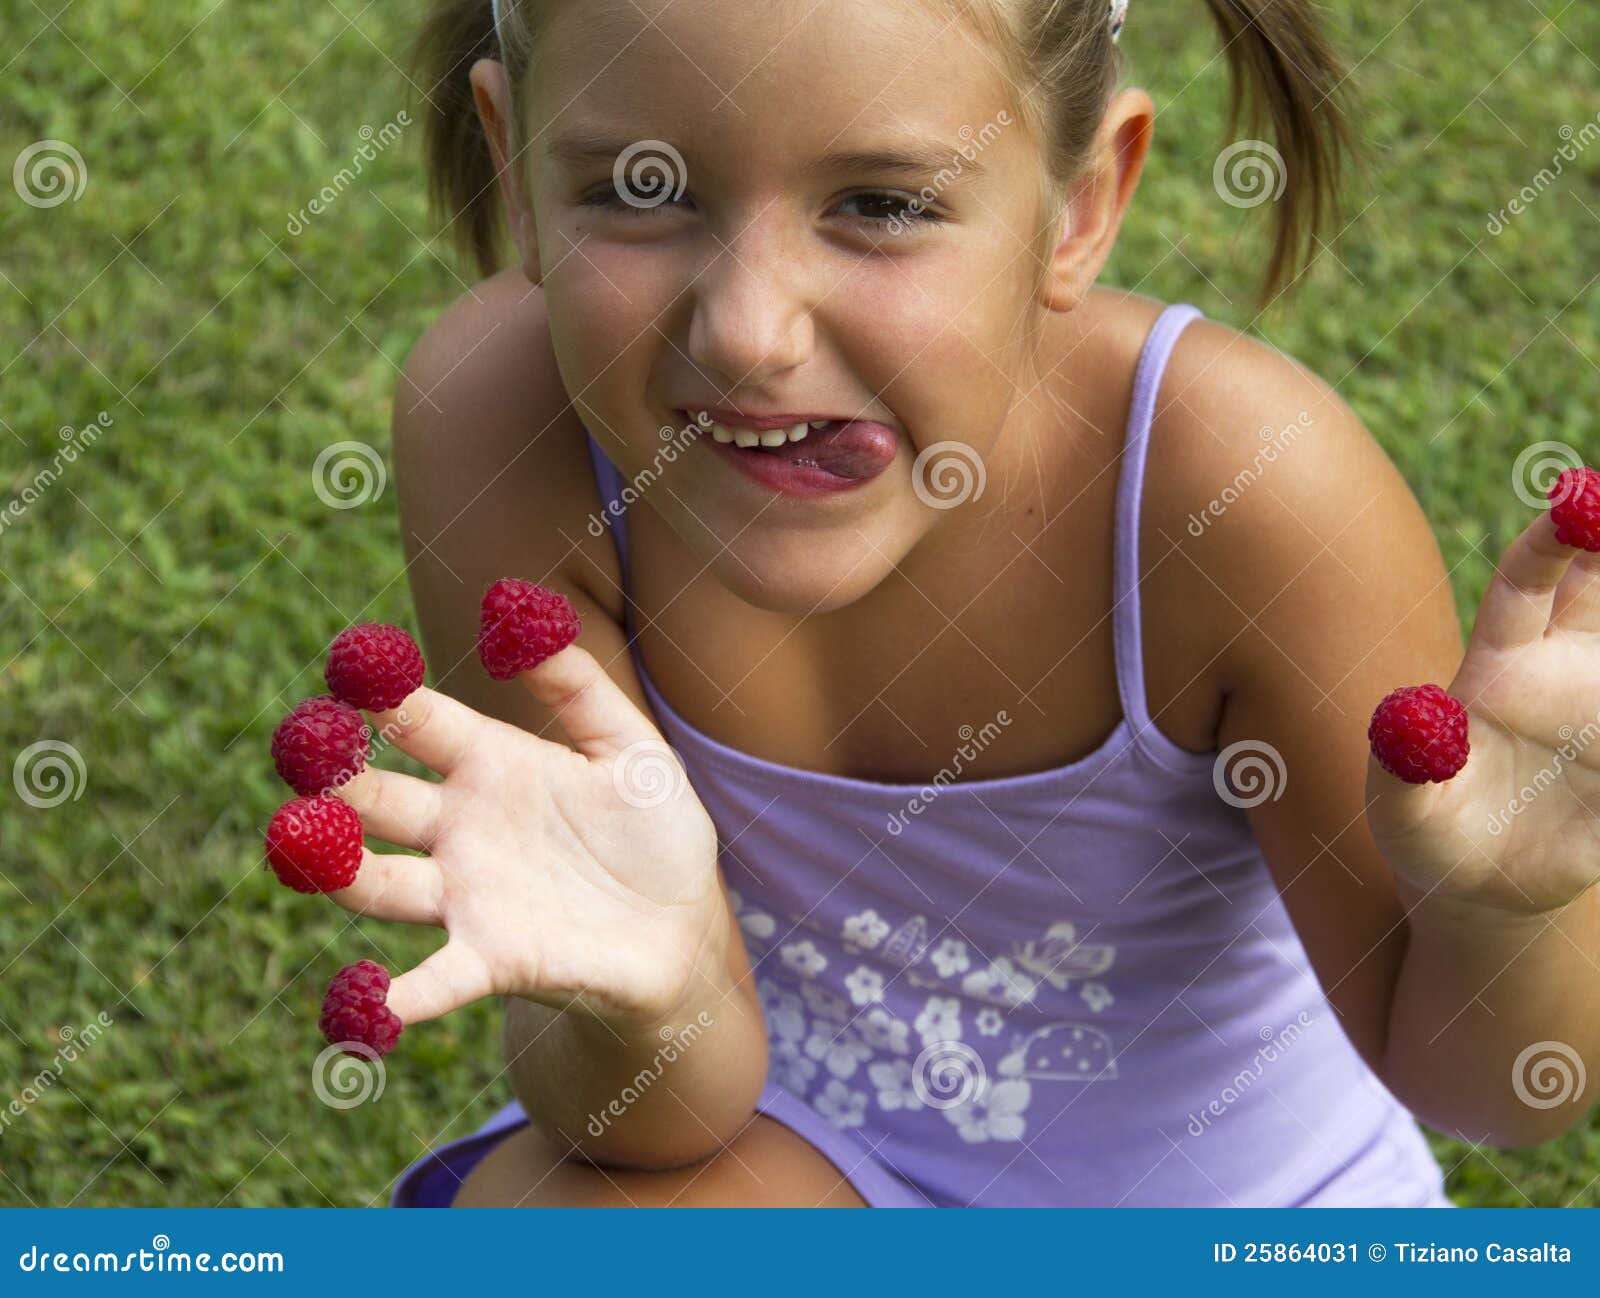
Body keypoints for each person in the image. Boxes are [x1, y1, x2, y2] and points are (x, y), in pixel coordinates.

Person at [324, 0, 1600, 1206]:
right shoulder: (508, 424)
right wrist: (651, 1003)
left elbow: (1486, 1083)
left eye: (881, 204)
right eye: (639, 190)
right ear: (515, 166)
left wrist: (1496, 906)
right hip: (796, 1156)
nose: (748, 331)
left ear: (1080, 205)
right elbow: (647, 1124)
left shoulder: (1241, 492)